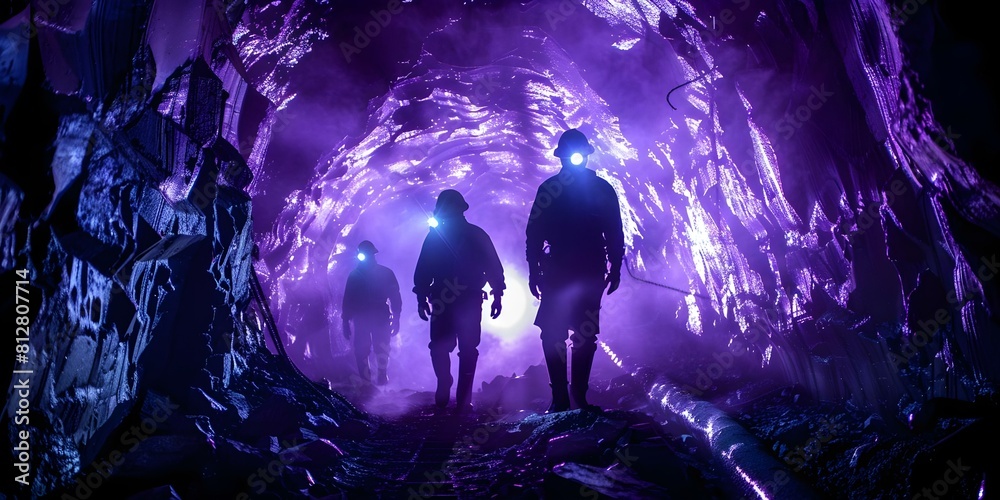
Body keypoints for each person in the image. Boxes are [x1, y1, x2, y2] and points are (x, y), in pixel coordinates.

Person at [525, 128, 625, 412]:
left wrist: (615, 266)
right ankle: (559, 398)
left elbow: (614, 231)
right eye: (569, 155)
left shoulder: (601, 189)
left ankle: (578, 396)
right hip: (558, 270)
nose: (573, 160)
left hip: (588, 269)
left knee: (584, 333)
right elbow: (534, 233)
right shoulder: (549, 190)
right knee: (552, 332)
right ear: (561, 159)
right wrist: (534, 270)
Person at [414, 189, 505, 414]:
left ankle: (448, 385)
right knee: (466, 348)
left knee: (441, 347)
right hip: (468, 299)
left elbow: (423, 270)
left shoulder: (435, 237)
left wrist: (421, 297)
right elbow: (493, 267)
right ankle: (461, 397)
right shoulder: (476, 234)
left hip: (446, 299)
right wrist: (497, 294)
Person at [342, 240, 402, 386]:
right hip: (362, 316)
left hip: (379, 314)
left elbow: (395, 297)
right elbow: (348, 299)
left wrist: (396, 317)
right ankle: (365, 380)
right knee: (361, 349)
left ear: (373, 254)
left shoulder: (385, 273)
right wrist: (345, 321)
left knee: (381, 346)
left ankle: (382, 375)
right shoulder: (355, 276)